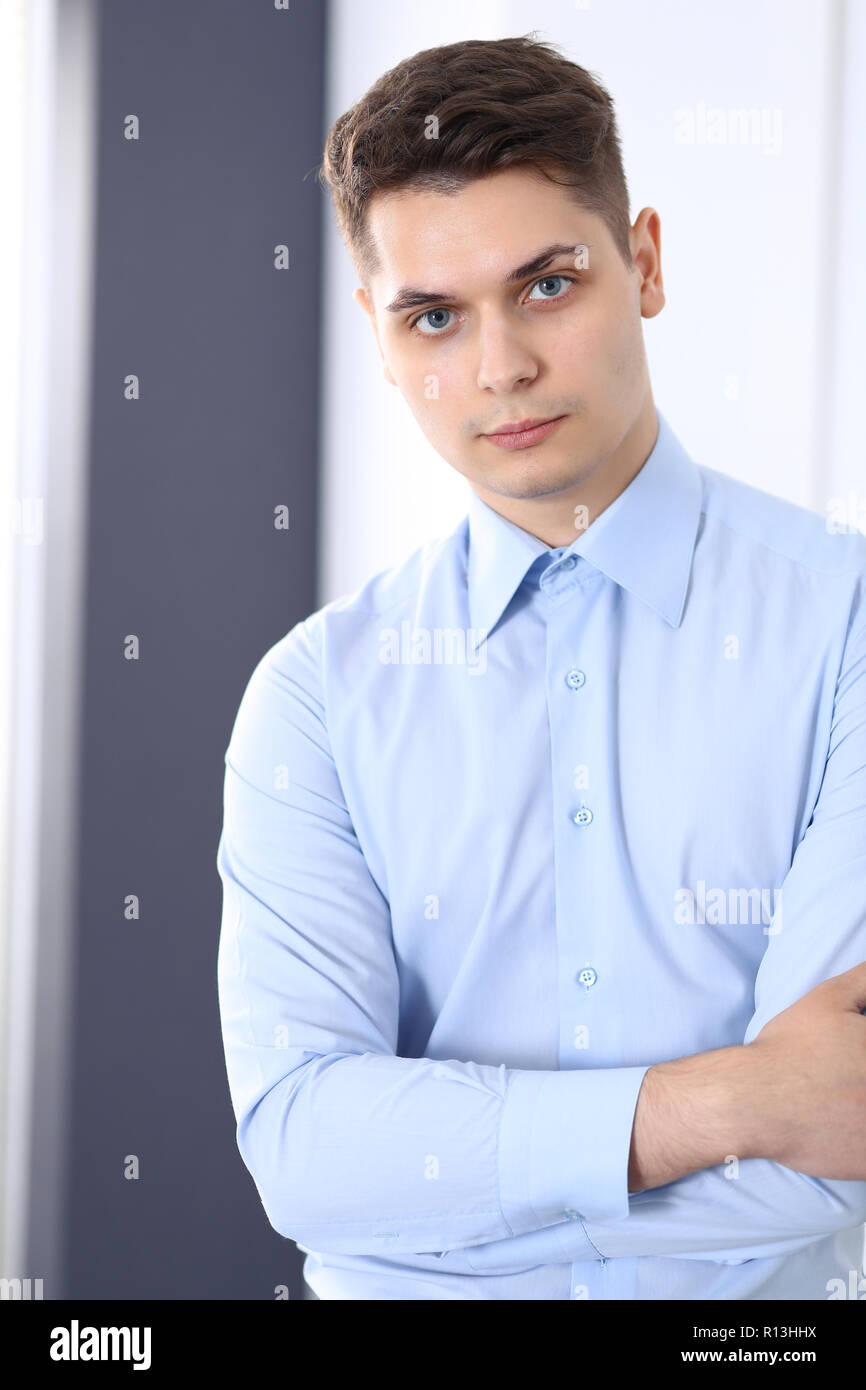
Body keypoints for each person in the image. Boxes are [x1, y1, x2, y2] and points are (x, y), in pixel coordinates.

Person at [216, 33, 866, 1300]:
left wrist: (428, 1198)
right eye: (433, 315)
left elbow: (831, 1148)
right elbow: (305, 1158)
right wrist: (722, 1101)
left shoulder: (845, 623)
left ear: (648, 264)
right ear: (378, 331)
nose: (498, 365)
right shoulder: (314, 697)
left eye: (548, 285)